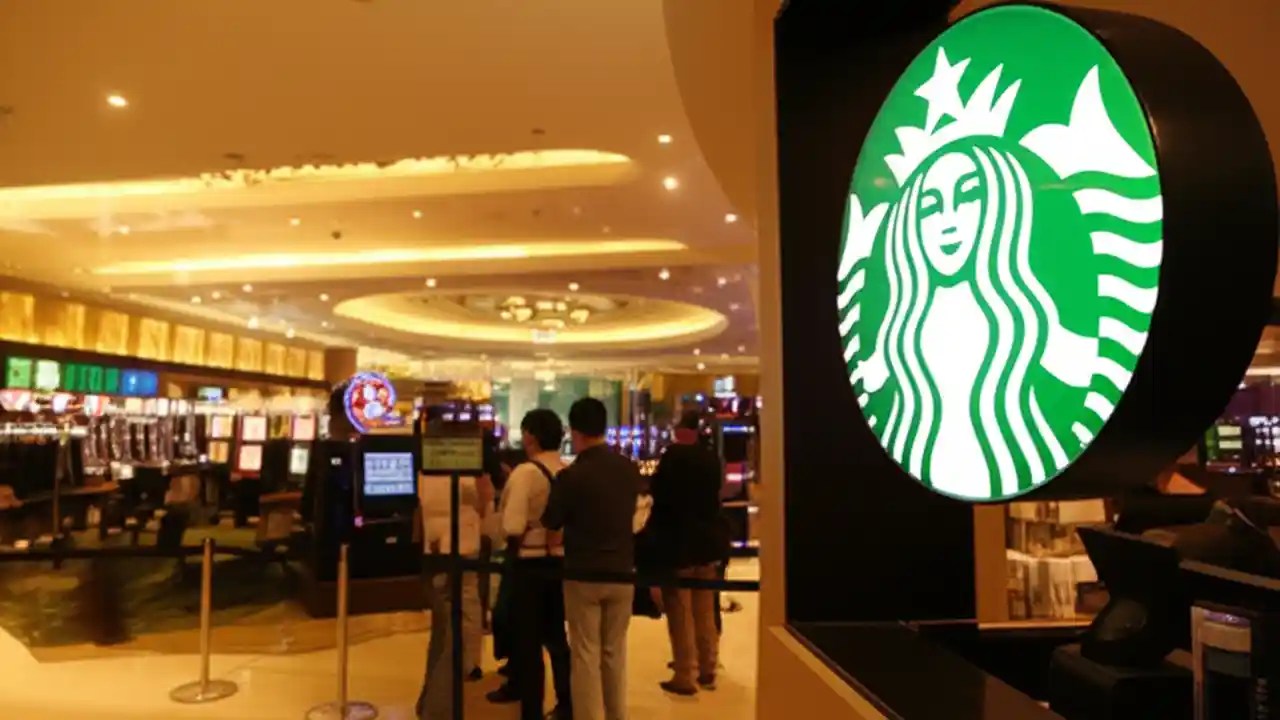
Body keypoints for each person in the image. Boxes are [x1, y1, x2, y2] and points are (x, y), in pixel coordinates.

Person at [544, 398, 642, 720]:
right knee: (615, 652)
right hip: (622, 572)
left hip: (583, 573)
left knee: (584, 654)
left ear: (574, 431)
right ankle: (617, 715)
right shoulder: (629, 469)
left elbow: (551, 520)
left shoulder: (572, 476)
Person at [487, 409, 573, 720]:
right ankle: (566, 703)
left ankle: (531, 710)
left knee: (527, 641)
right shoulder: (566, 470)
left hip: (527, 565)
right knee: (556, 637)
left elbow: (511, 526)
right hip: (558, 563)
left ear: (532, 436)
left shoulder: (525, 473)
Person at [416, 410, 493, 720]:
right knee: (464, 615)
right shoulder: (469, 476)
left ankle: (434, 698)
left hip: (434, 553)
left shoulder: (423, 474)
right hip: (464, 550)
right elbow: (487, 505)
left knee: (443, 627)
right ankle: (462, 673)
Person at [648, 411, 729, 696]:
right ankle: (708, 667)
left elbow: (659, 495)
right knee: (705, 608)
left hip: (679, 544)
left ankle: (685, 673)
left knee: (680, 611)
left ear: (685, 431)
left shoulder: (673, 457)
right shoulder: (711, 458)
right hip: (708, 542)